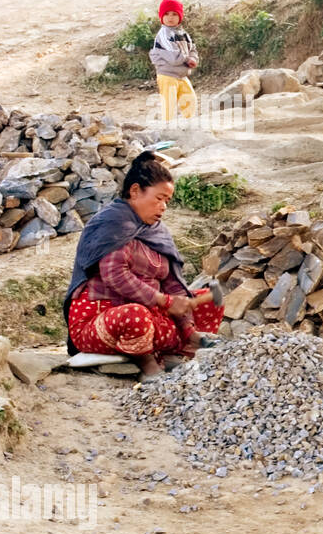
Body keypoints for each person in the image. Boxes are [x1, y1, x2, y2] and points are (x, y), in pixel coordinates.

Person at [64, 153, 224, 380]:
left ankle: (181, 345)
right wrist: (164, 301)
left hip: (152, 314)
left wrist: (187, 326)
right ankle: (147, 361)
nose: (163, 207)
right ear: (135, 191)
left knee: (208, 304)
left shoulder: (156, 233)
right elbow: (115, 275)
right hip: (102, 319)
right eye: (159, 198)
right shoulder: (113, 223)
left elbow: (172, 283)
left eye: (167, 201)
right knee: (135, 315)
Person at [149, 0, 199, 122]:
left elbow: (192, 48)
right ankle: (168, 126)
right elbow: (174, 58)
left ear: (180, 17)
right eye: (167, 14)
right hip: (167, 75)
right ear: (161, 17)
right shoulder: (163, 34)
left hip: (181, 75)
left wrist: (193, 58)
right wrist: (187, 60)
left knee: (190, 99)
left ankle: (189, 123)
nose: (170, 18)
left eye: (174, 14)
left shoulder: (183, 34)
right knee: (169, 103)